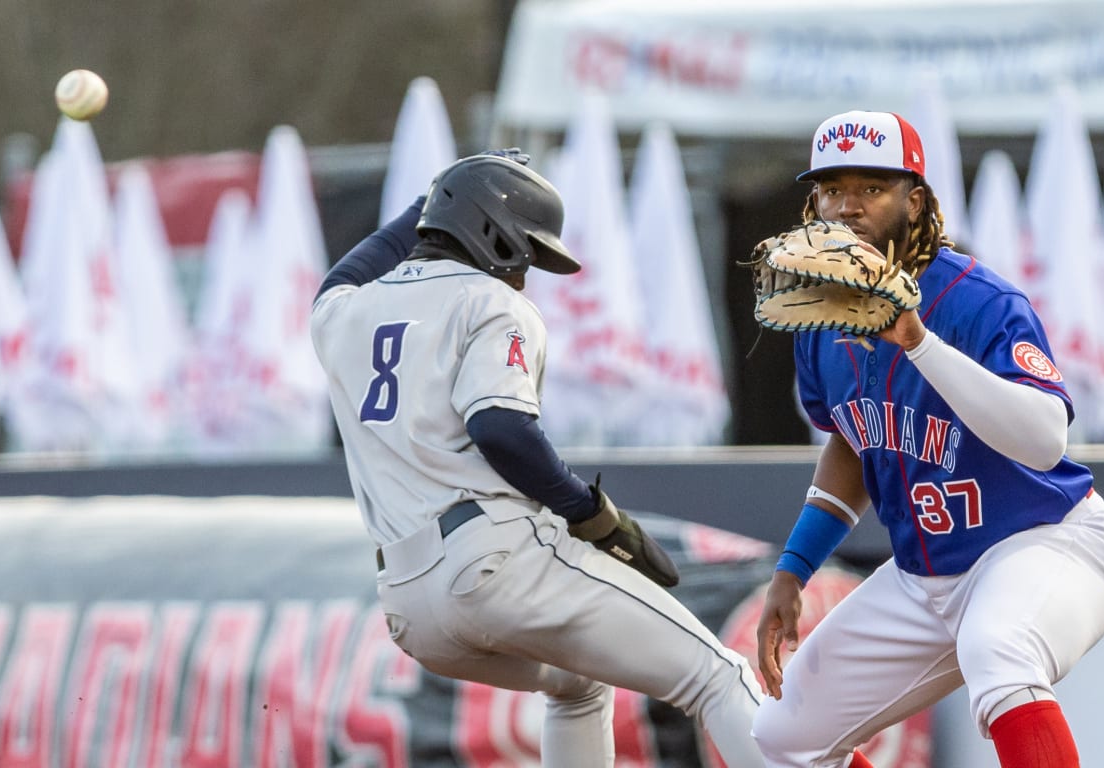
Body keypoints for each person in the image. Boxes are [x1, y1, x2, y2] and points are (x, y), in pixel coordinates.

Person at [310, 150, 772, 767]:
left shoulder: (341, 314)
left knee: (578, 684)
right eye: (526, 250)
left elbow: (343, 275)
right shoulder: (489, 301)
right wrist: (586, 508)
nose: (525, 272)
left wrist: (429, 199)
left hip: (408, 602)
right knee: (718, 675)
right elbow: (500, 429)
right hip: (492, 558)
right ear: (492, 233)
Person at [751, 111, 1104, 768]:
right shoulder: (819, 321)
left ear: (915, 201)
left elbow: (1045, 439)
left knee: (1001, 652)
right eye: (831, 189)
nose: (847, 207)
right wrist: (793, 569)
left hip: (1044, 542)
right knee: (784, 736)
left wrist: (919, 343)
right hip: (926, 578)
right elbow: (854, 441)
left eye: (871, 188)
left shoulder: (977, 299)